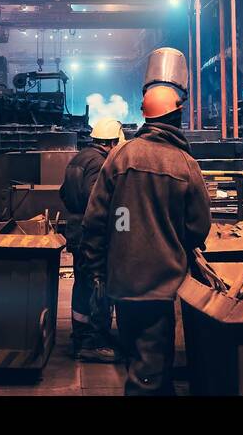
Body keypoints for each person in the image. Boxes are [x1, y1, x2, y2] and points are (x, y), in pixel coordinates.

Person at [81, 47, 211, 395]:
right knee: (149, 374)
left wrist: (97, 272)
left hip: (122, 283)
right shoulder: (185, 165)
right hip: (160, 287)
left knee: (138, 359)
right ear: (177, 117)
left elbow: (94, 222)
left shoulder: (120, 157)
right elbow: (199, 229)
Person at [59, 117, 124, 362]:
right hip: (92, 234)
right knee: (99, 285)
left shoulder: (79, 158)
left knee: (82, 284)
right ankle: (95, 342)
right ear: (111, 142)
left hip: (76, 230)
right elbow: (95, 200)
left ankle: (80, 337)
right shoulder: (100, 163)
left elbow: (64, 193)